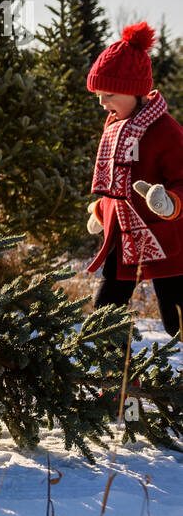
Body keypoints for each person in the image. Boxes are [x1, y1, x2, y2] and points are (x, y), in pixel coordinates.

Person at [86, 21, 183, 345]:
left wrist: (170, 201)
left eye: (109, 94)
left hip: (166, 237)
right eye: (99, 94)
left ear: (136, 90)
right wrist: (102, 211)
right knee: (105, 315)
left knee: (176, 321)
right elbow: (119, 186)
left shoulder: (164, 130)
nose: (102, 102)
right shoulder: (115, 127)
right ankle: (118, 381)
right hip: (123, 235)